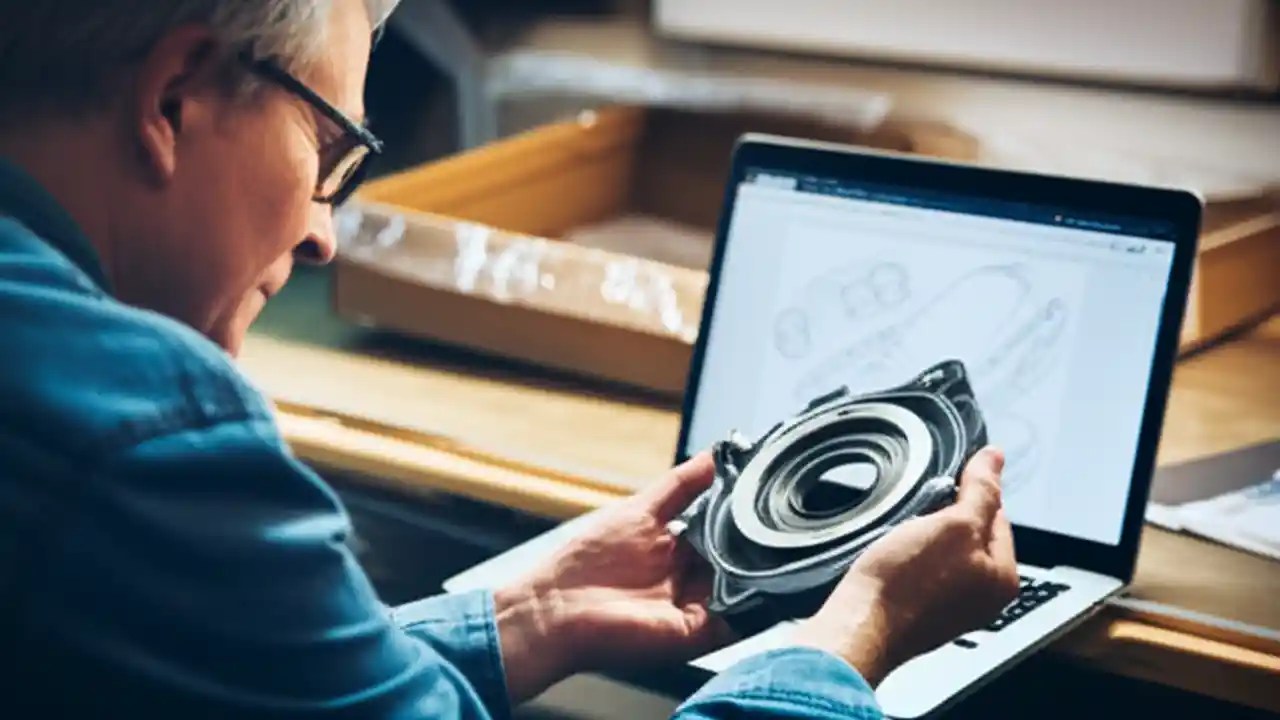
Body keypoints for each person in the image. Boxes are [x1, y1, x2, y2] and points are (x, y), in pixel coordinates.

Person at [0, 1, 1020, 717]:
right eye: (327, 149)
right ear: (172, 96)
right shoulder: (150, 443)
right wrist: (846, 640)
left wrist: (525, 615)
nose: (326, 237)